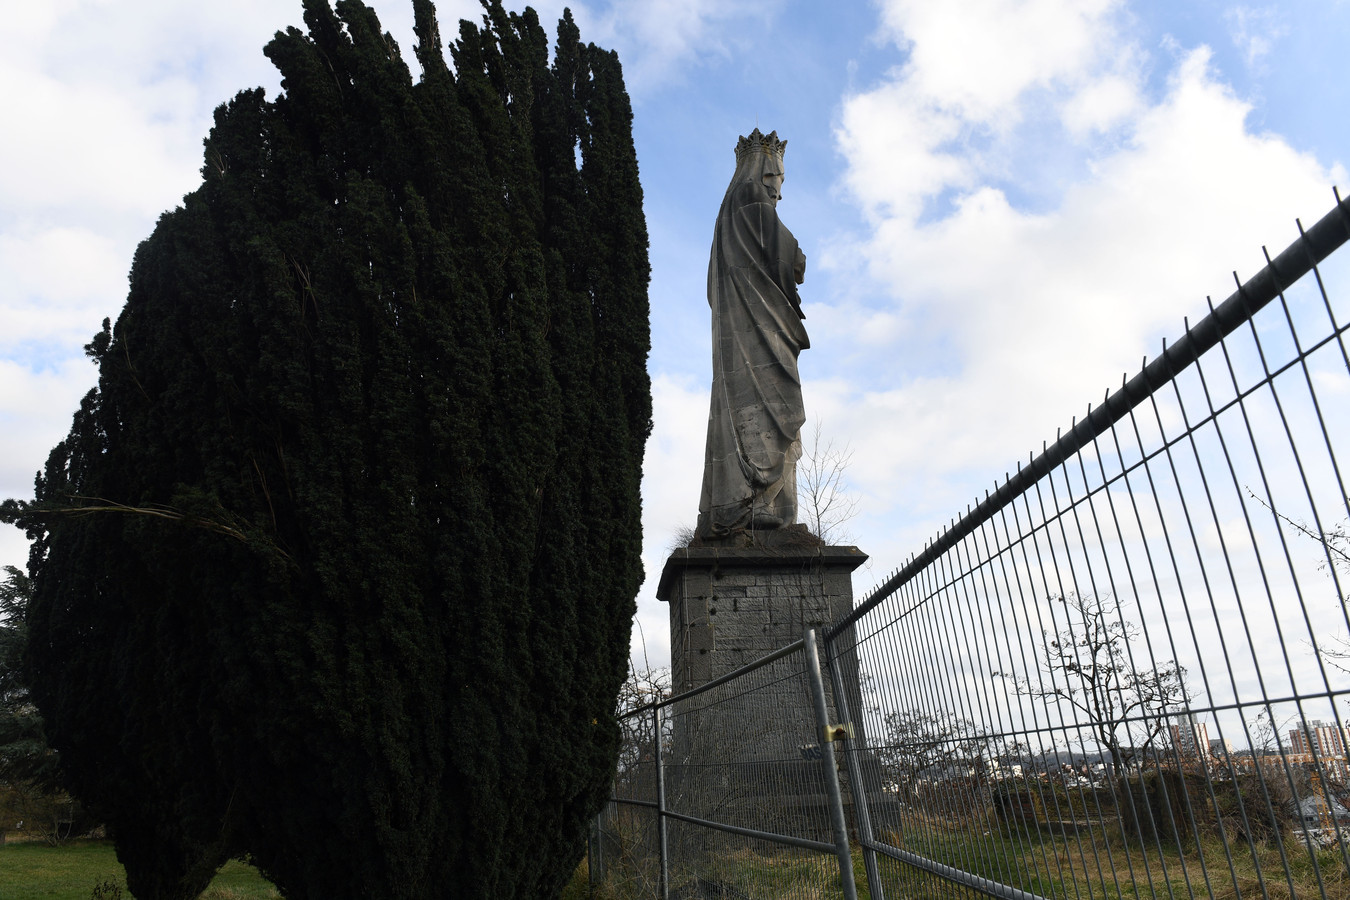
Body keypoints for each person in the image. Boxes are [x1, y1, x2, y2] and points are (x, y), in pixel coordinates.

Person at [696, 129, 809, 538]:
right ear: (759, 171)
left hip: (748, 327)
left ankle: (754, 505)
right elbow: (791, 257)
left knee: (752, 414)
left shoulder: (725, 214)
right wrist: (796, 257)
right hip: (758, 335)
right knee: (772, 412)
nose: (777, 190)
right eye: (773, 177)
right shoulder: (748, 199)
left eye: (781, 181)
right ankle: (760, 506)